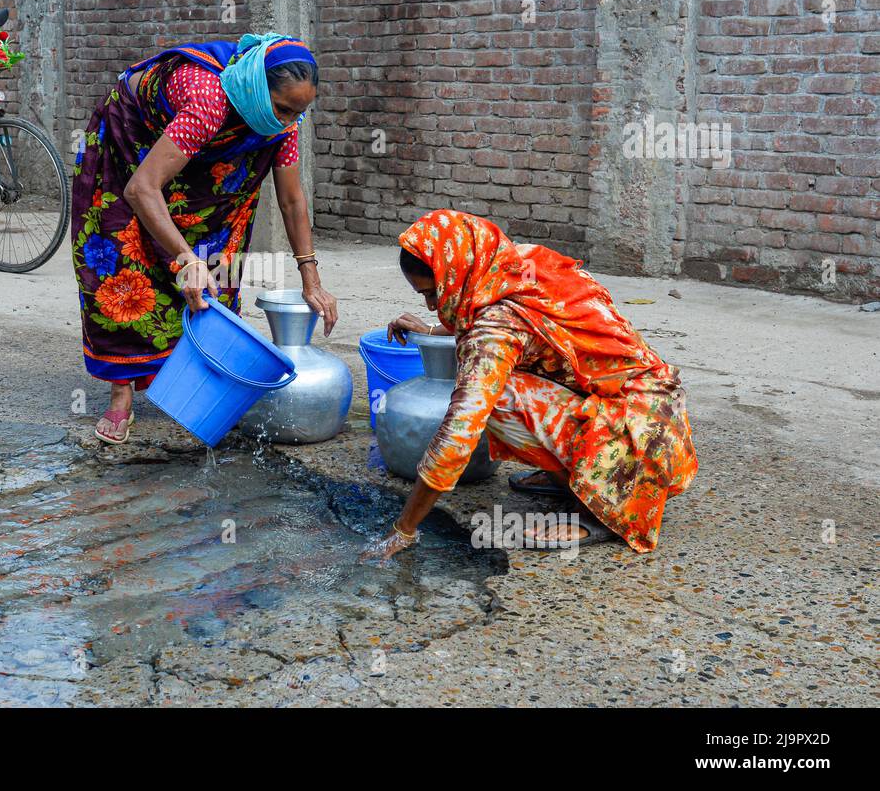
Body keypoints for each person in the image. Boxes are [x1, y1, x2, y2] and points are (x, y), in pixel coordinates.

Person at [361, 209, 698, 558]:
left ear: (455, 273)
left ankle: (601, 508)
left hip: (638, 441)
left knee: (494, 399)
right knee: (496, 379)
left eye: (434, 293)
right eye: (425, 298)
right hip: (658, 417)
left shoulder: (497, 325)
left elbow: (459, 432)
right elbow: (500, 318)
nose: (432, 307)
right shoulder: (514, 263)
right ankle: (573, 474)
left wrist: (404, 529)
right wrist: (432, 330)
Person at [71, 33, 339, 444]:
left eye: (298, 113)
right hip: (133, 148)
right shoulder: (208, 99)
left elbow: (291, 199)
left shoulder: (281, 122)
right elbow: (141, 189)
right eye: (284, 109)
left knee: (215, 257)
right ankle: (122, 390)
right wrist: (185, 259)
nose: (289, 121)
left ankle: (195, 380)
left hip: (200, 163)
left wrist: (312, 279)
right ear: (256, 88)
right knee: (123, 260)